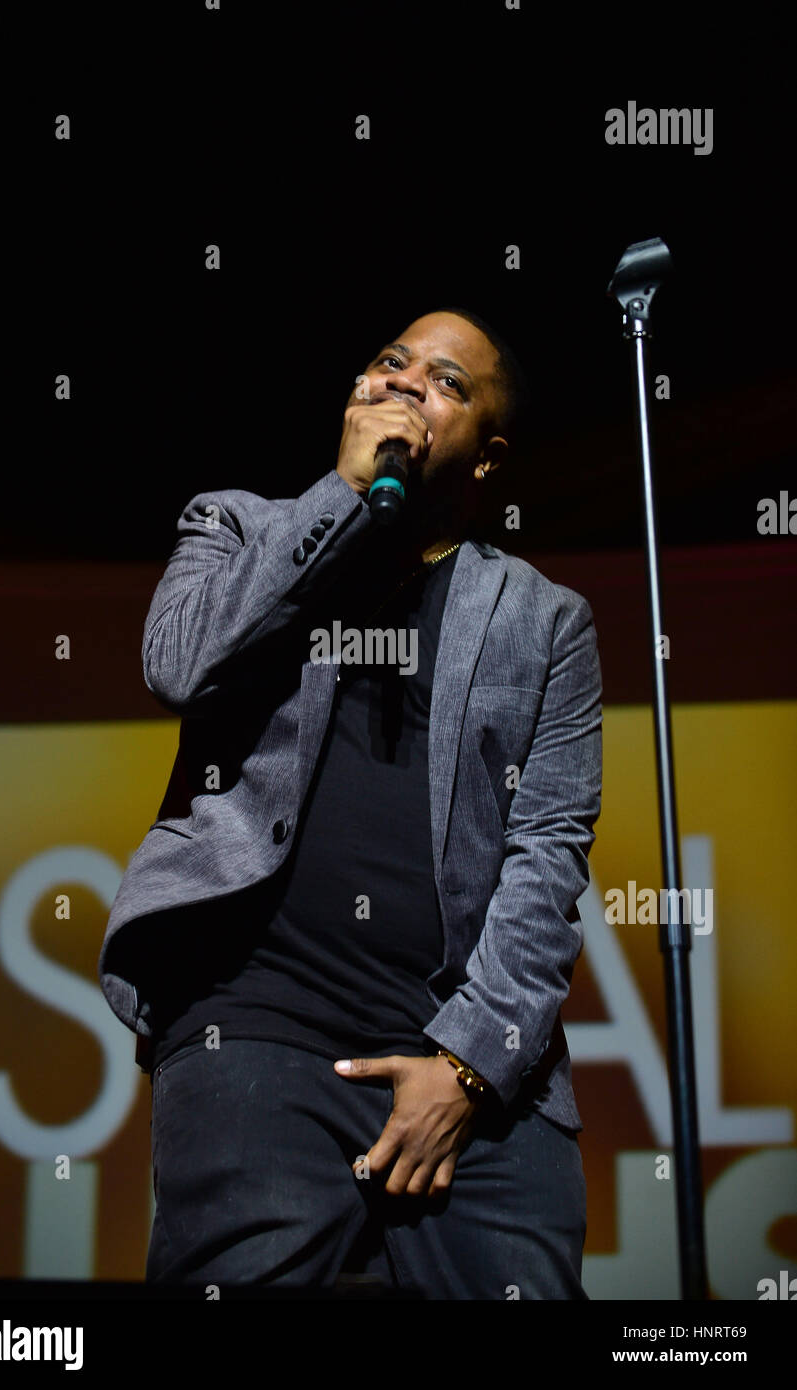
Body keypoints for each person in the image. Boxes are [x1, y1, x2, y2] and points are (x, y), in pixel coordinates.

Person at [97, 307, 603, 1299]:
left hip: (475, 1070)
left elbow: (548, 850)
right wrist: (339, 495)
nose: (412, 381)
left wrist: (463, 1073)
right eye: (391, 361)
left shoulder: (548, 621)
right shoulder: (235, 525)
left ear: (489, 458)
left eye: (448, 380)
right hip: (255, 1025)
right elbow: (180, 664)